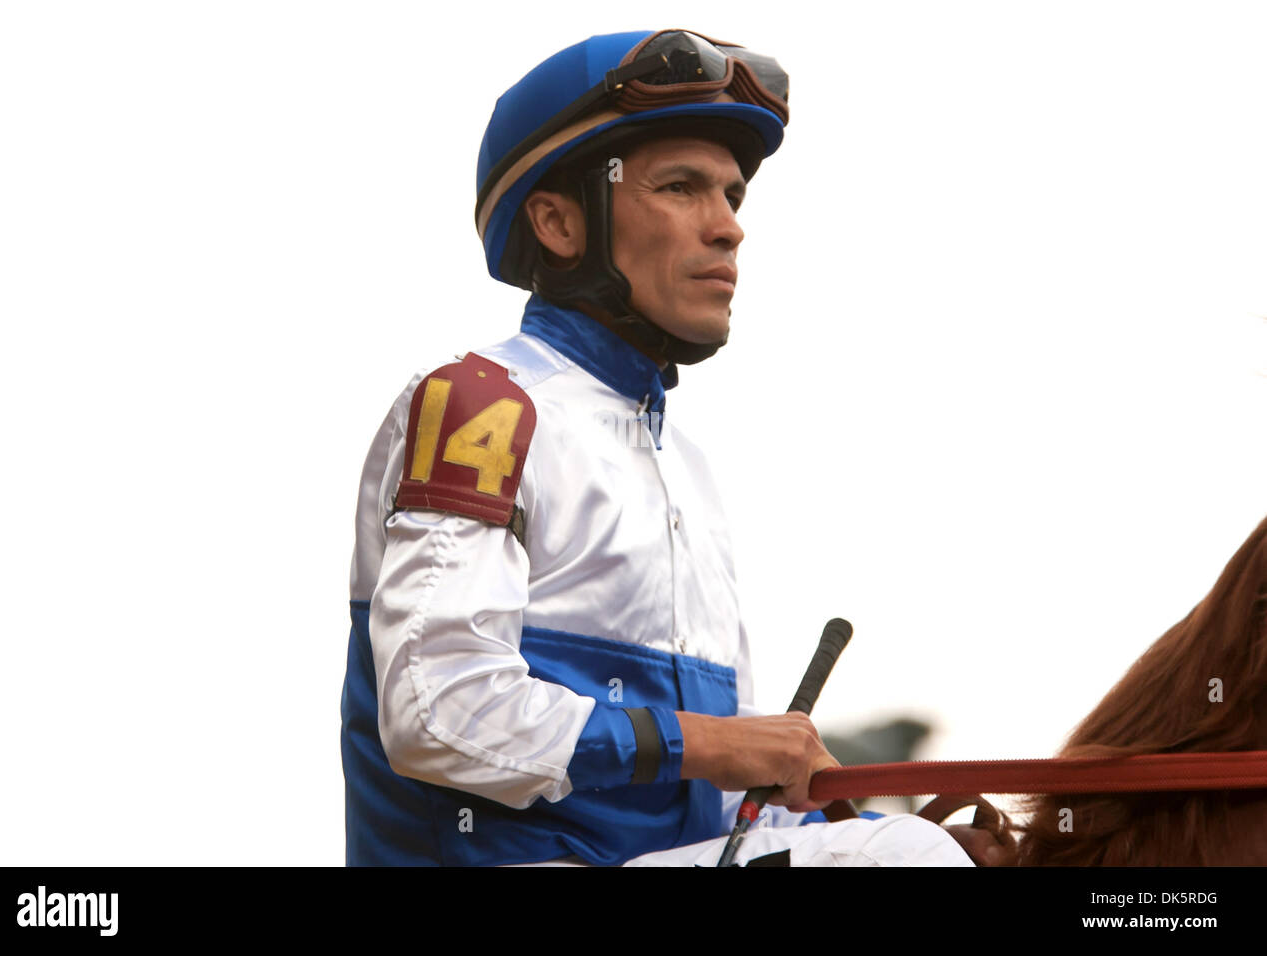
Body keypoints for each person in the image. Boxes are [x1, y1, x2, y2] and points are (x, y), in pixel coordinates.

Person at [340, 28, 973, 866]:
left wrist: (850, 824)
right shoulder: (478, 405)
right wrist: (715, 743)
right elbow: (437, 714)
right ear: (561, 223)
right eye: (682, 188)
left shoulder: (691, 470)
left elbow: (719, 813)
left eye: (733, 197)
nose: (728, 230)